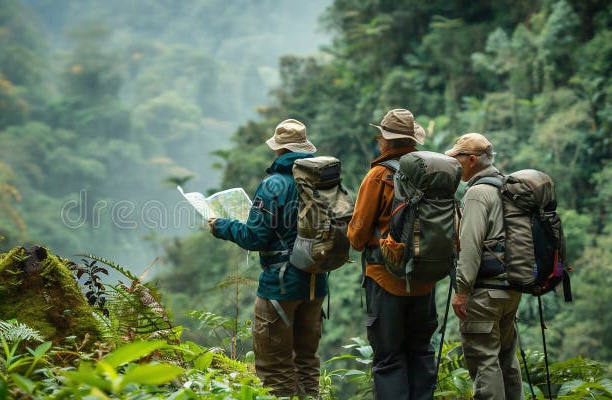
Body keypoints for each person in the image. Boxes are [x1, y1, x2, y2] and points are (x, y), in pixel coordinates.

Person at [209, 118, 326, 398]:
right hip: (317, 281)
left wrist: (221, 226)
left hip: (280, 285)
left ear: (279, 150)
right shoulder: (322, 181)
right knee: (306, 360)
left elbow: (255, 237)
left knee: (275, 367)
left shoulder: (274, 185)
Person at [347, 109, 438, 400]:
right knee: (421, 352)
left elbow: (358, 237)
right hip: (425, 280)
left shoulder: (379, 175)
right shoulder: (433, 173)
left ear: (385, 142)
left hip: (385, 279)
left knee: (388, 358)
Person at [446, 133, 523, 399]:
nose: (455, 164)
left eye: (457, 158)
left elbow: (470, 246)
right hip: (511, 288)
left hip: (484, 293)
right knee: (506, 360)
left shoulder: (478, 193)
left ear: (471, 159)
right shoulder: (507, 187)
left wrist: (462, 290)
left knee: (484, 362)